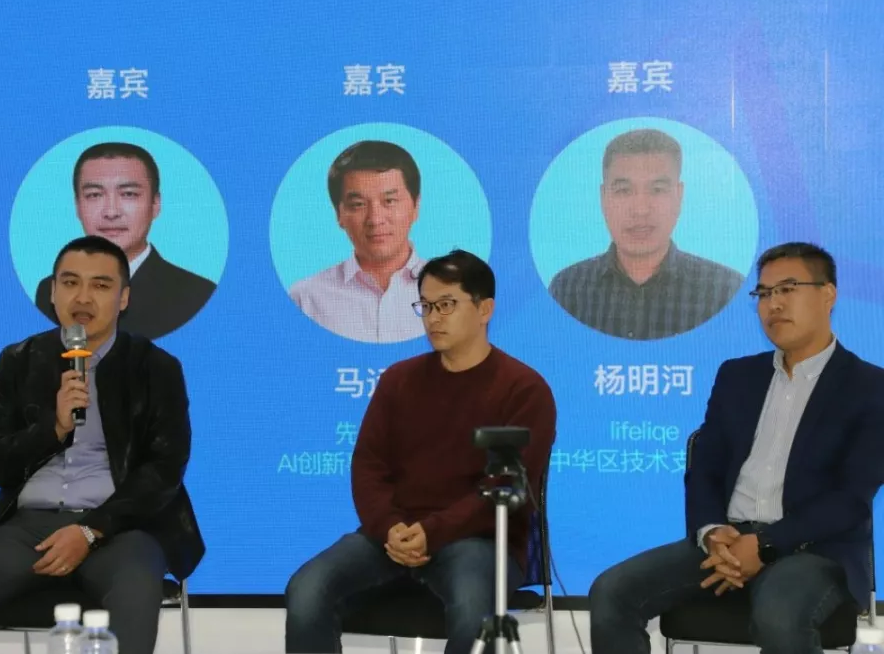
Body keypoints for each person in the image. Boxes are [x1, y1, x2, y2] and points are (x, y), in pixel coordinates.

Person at [0, 235, 204, 654]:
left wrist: (90, 530)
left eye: (100, 285)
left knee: (136, 585)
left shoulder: (156, 368)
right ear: (52, 292)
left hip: (121, 528)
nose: (82, 297)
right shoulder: (18, 360)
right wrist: (53, 429)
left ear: (123, 298)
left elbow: (163, 472)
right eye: (70, 283)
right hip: (29, 529)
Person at [589, 242, 884, 654]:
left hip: (815, 551)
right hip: (729, 542)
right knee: (611, 591)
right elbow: (705, 468)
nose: (773, 304)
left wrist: (764, 545)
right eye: (763, 293)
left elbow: (850, 500)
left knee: (779, 613)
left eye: (788, 289)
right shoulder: (738, 376)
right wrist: (712, 533)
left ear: (828, 294)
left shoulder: (869, 387)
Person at [285, 250, 557, 654]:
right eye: (426, 306)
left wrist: (433, 532)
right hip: (393, 536)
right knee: (307, 588)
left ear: (485, 309)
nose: (433, 318)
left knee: (474, 612)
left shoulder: (524, 389)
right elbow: (368, 466)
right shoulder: (399, 380)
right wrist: (390, 528)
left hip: (480, 541)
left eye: (446, 305)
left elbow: (507, 487)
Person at [548, 129, 744, 340]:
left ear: (679, 196)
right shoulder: (567, 289)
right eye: (624, 191)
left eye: (657, 190)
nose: (640, 210)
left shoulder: (727, 290)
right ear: (603, 197)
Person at [34, 142, 217, 339]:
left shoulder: (197, 295)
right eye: (94, 195)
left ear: (155, 204)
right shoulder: (49, 293)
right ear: (77, 206)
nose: (111, 212)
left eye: (128, 194)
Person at [289, 140, 427, 343]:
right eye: (358, 204)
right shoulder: (305, 299)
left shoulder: (455, 292)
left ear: (416, 206)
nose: (375, 219)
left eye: (389, 201)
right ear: (339, 214)